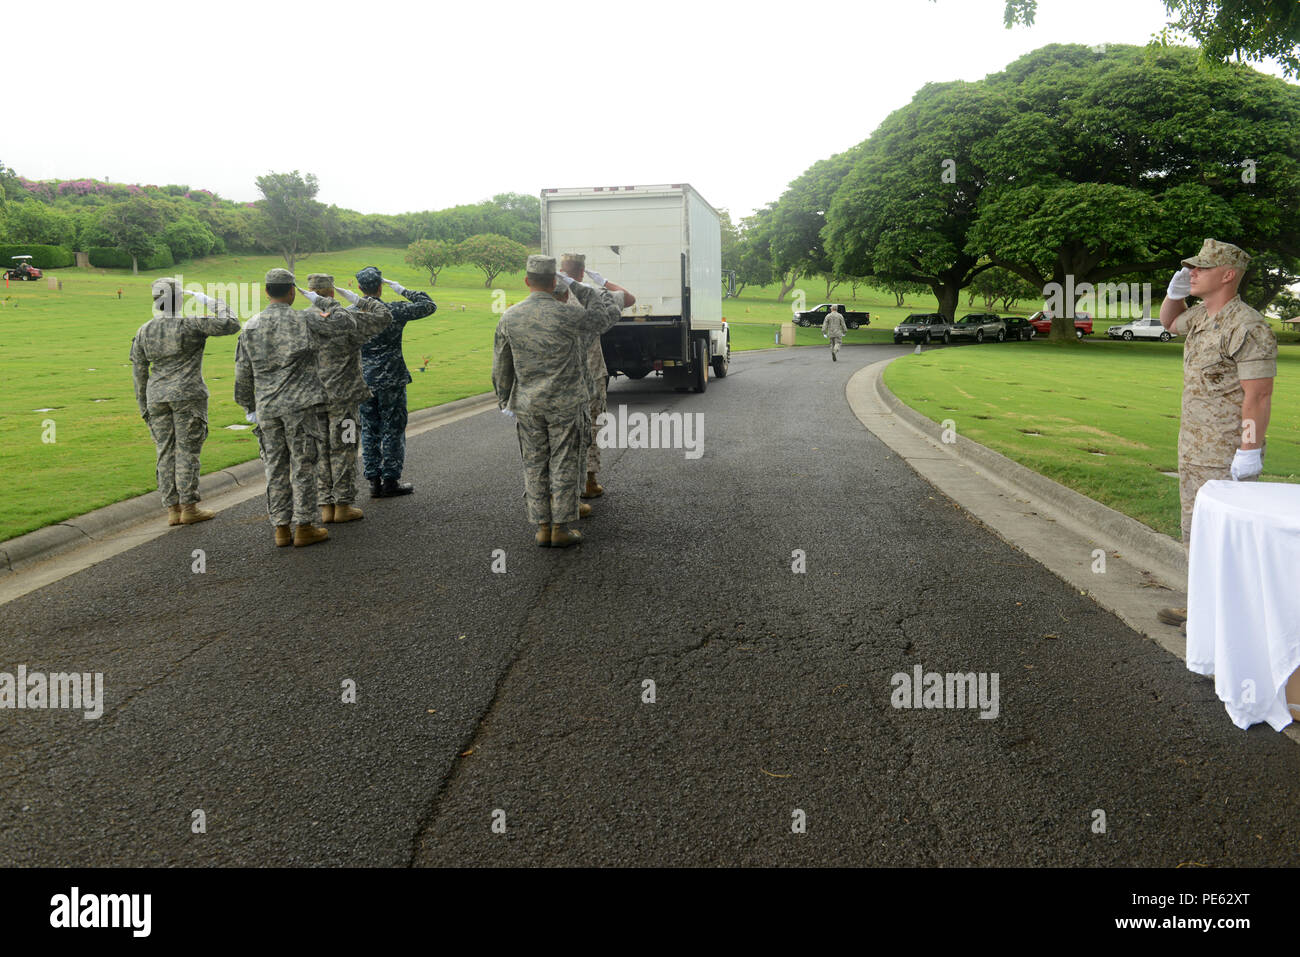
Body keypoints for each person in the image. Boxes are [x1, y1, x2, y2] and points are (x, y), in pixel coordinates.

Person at [1155, 239, 1277, 631]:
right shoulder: (1203, 317)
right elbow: (1170, 324)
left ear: (1228, 275)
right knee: (1195, 530)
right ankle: (1202, 607)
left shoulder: (1247, 325)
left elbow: (1259, 394)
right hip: (1192, 446)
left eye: (1201, 268)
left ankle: (1226, 620)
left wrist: (1249, 450)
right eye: (1192, 268)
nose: (1192, 272)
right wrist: (1174, 295)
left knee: (1225, 538)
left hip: (1225, 451)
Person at [493, 255, 623, 548]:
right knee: (564, 461)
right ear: (555, 281)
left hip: (528, 404)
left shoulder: (509, 317)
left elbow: (501, 365)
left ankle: (541, 527)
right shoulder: (567, 315)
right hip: (566, 403)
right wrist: (580, 287)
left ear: (527, 281)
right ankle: (561, 527)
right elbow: (607, 316)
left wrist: (505, 399)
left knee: (535, 463)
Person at [234, 268, 358, 548]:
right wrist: (321, 299)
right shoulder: (305, 319)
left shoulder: (251, 325)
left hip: (267, 406)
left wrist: (248, 405)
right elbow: (346, 323)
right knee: (303, 465)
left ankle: (280, 528)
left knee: (275, 467)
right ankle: (304, 526)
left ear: (267, 292)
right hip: (300, 406)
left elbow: (242, 372)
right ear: (292, 292)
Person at [130, 277, 239, 526]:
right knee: (187, 451)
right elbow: (231, 323)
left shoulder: (144, 330)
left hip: (156, 397)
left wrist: (143, 407)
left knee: (165, 451)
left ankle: (172, 509)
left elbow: (139, 373)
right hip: (188, 395)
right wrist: (212, 302)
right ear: (179, 299)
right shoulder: (189, 324)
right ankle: (189, 507)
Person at [299, 274, 392, 524]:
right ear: (331, 293)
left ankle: (325, 506)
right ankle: (343, 504)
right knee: (345, 448)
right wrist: (359, 300)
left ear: (309, 292)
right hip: (344, 397)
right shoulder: (350, 318)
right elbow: (384, 316)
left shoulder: (301, 319)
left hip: (312, 396)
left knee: (320, 451)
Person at [557, 253, 636, 502]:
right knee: (591, 426)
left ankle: (564, 488)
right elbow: (629, 298)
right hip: (591, 373)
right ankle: (590, 481)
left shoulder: (551, 296)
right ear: (582, 273)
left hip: (560, 375)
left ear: (561, 271)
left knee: (562, 430)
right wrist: (604, 281)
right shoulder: (594, 296)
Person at [355, 266, 437, 498]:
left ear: (360, 288)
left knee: (369, 429)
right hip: (391, 378)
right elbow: (429, 305)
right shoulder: (393, 309)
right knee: (393, 427)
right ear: (380, 286)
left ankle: (373, 480)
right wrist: (402, 289)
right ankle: (390, 479)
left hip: (363, 380)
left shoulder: (351, 312)